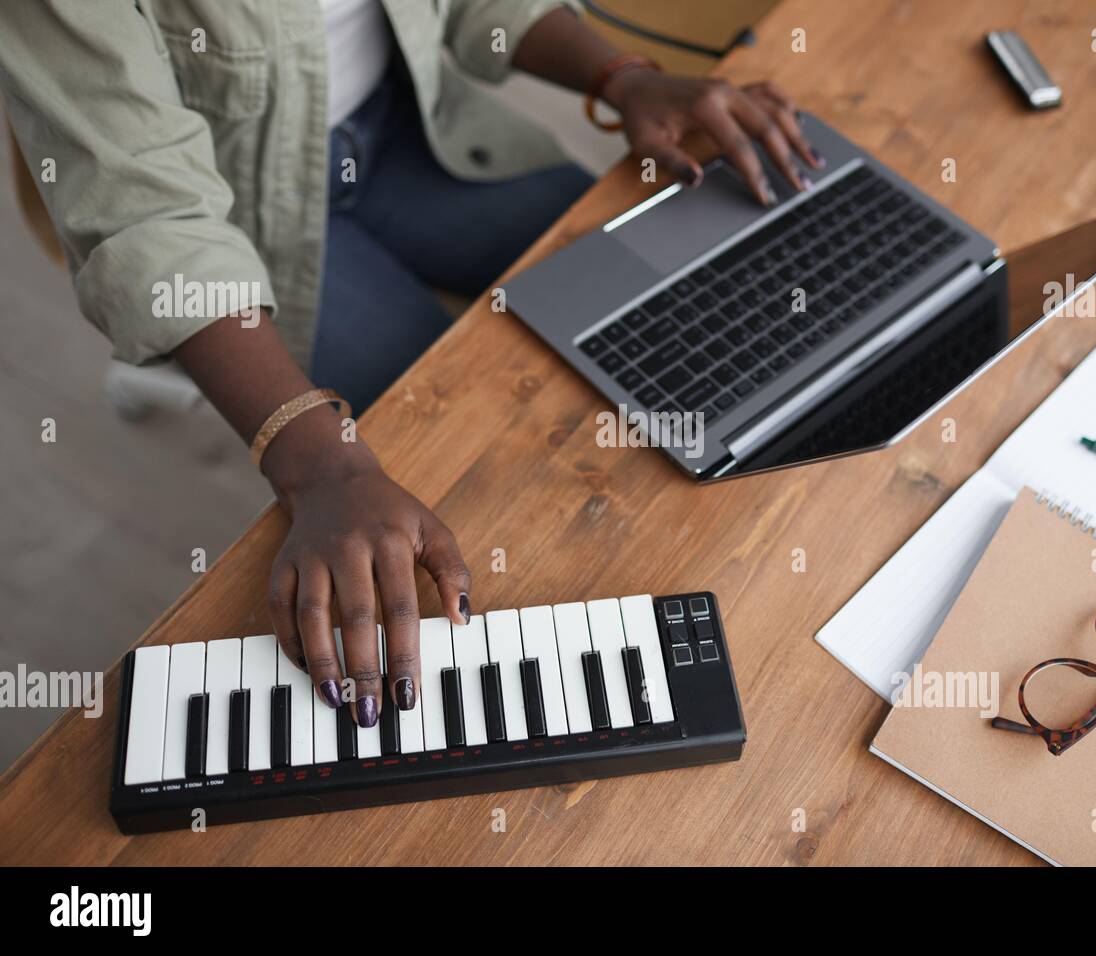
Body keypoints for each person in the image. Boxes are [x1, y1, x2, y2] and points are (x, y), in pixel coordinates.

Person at [0, 1, 819, 728]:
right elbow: (153, 221)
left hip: (414, 131)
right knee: (451, 483)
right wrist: (323, 472)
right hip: (243, 227)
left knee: (668, 305)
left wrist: (623, 78)